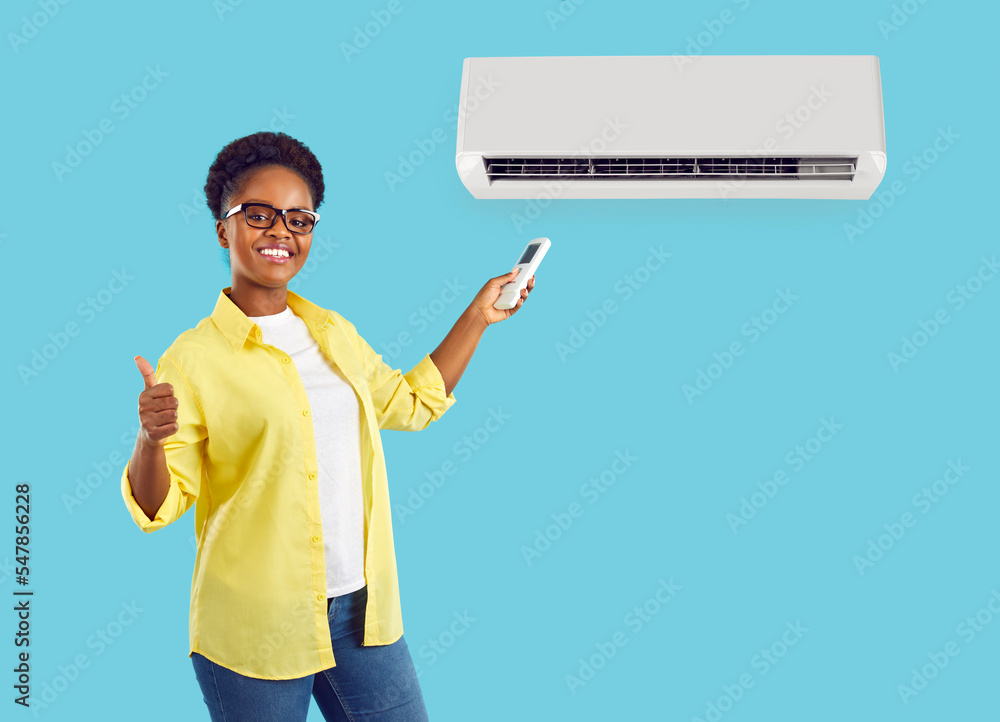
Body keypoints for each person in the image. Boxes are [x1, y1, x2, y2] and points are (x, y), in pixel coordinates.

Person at [120, 131, 534, 721]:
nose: (281, 233)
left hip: (362, 615)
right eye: (259, 215)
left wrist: (478, 317)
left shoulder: (333, 332)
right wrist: (150, 439)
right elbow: (158, 506)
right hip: (253, 629)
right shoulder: (191, 359)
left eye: (299, 219)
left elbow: (410, 402)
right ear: (223, 229)